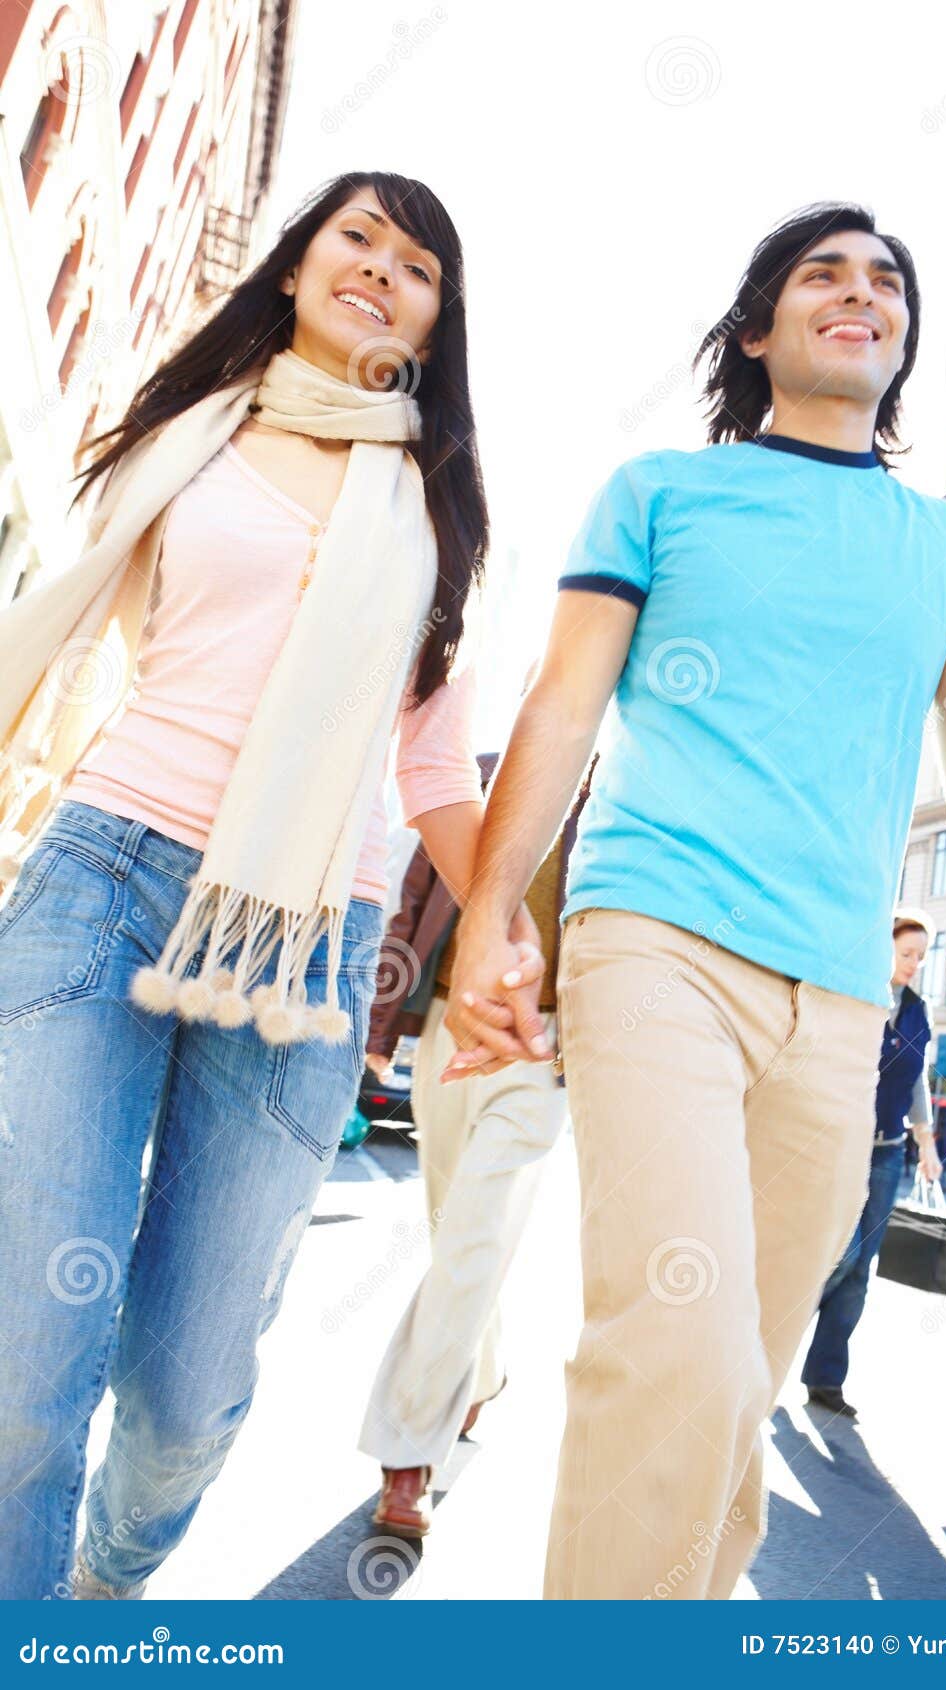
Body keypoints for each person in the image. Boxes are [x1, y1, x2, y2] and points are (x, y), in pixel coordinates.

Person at [441, 201, 946, 1600]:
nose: (859, 294)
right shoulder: (660, 493)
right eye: (820, 276)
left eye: (883, 283)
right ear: (755, 329)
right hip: (654, 934)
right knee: (669, 1345)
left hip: (838, 999)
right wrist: (490, 910)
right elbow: (561, 706)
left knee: (736, 1379)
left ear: (899, 339)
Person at [0, 172, 540, 1600]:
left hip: (307, 944)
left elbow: (433, 774)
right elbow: (50, 623)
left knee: (183, 1397)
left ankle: (104, 1580)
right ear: (296, 264)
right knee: (22, 1364)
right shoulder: (187, 434)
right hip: (100, 881)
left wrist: (498, 932)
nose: (378, 265)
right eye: (354, 234)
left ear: (438, 315)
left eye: (415, 258)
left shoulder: (439, 518)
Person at [357, 758, 594, 1535]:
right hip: (451, 1037)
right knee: (453, 1236)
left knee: (475, 1235)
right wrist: (379, 1031)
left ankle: (407, 1454)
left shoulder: (629, 792)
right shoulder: (475, 777)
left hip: (542, 1051)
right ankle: (481, 1372)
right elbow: (416, 904)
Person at [802, 909, 940, 1418]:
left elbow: (918, 1081)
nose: (915, 963)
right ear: (884, 948)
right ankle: (765, 1344)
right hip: (840, 1142)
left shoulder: (919, 1010)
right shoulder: (854, 995)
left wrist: (925, 1144)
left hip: (887, 1151)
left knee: (861, 1269)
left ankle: (825, 1380)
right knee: (840, 1255)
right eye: (907, 953)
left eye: (922, 956)